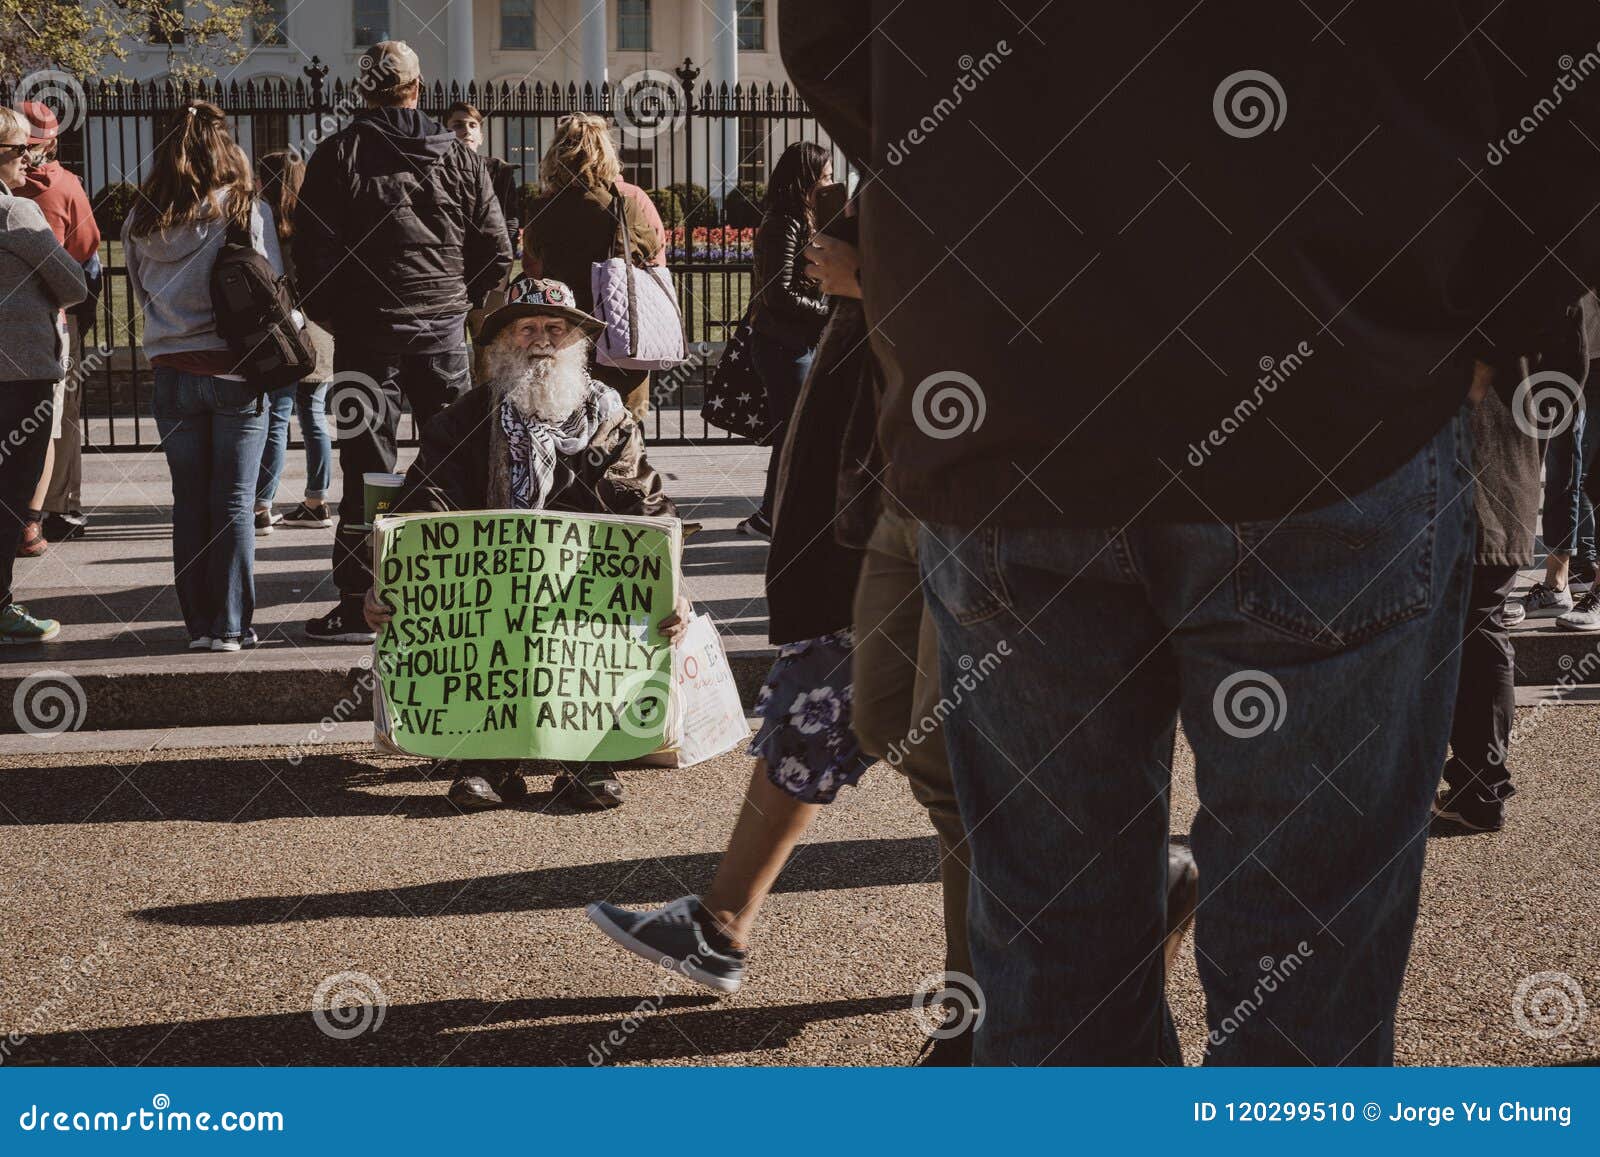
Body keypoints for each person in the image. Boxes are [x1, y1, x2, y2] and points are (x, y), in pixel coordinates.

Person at [783, 2, 1600, 1065]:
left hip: (1013, 378)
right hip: (1329, 373)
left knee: (1053, 974)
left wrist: (973, 191)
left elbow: (830, 39)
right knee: (1307, 992)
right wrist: (1506, 307)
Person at [362, 277, 685, 811]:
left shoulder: (611, 422)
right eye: (526, 329)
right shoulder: (465, 419)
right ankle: (485, 759)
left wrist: (675, 588)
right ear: (503, 343)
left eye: (555, 330)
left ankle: (590, 758)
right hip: (490, 595)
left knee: (621, 600)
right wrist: (390, 582)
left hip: (585, 594)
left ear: (574, 343)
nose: (541, 341)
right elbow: (425, 506)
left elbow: (648, 512)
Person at [295, 40, 513, 644]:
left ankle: (362, 596)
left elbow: (311, 258)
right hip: (440, 332)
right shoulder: (461, 158)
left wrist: (340, 316)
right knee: (457, 459)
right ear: (419, 88)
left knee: (368, 467)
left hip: (370, 336)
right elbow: (497, 250)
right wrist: (457, 302)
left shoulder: (337, 155)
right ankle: (463, 588)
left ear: (363, 91)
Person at [123, 101, 280, 652]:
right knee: (235, 501)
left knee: (188, 500)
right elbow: (266, 282)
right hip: (233, 369)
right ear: (224, 147)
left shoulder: (141, 218)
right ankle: (232, 625)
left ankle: (199, 625)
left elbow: (141, 294)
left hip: (171, 371)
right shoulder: (239, 208)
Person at [1435, 359, 1548, 833]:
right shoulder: (1556, 288)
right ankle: (1477, 784)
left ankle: (1479, 787)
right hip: (1506, 468)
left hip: (1469, 473)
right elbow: (1572, 369)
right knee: (1479, 625)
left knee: (1473, 628)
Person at [0, 105, 85, 642]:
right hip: (20, 372)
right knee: (11, 492)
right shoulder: (16, 215)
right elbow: (73, 283)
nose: (27, 159)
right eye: (17, 150)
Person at [521, 113, 660, 424]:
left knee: (565, 422)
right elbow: (650, 249)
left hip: (563, 328)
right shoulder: (622, 205)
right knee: (623, 424)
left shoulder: (541, 208)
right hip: (619, 326)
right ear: (604, 152)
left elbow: (532, 263)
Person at [13, 101, 99, 555]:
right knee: (55, 418)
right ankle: (52, 507)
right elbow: (86, 249)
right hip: (51, 318)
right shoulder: (64, 185)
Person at [736, 142, 831, 541]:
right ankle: (770, 516)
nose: (830, 184)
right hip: (781, 345)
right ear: (805, 179)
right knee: (793, 433)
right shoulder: (784, 223)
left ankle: (774, 515)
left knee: (795, 433)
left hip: (793, 342)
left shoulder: (804, 219)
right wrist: (826, 313)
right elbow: (778, 293)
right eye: (824, 177)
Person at [253, 151, 335, 532]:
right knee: (315, 418)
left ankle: (261, 505)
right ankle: (317, 500)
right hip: (319, 328)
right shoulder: (315, 222)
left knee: (276, 420)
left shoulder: (265, 223)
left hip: (283, 332)